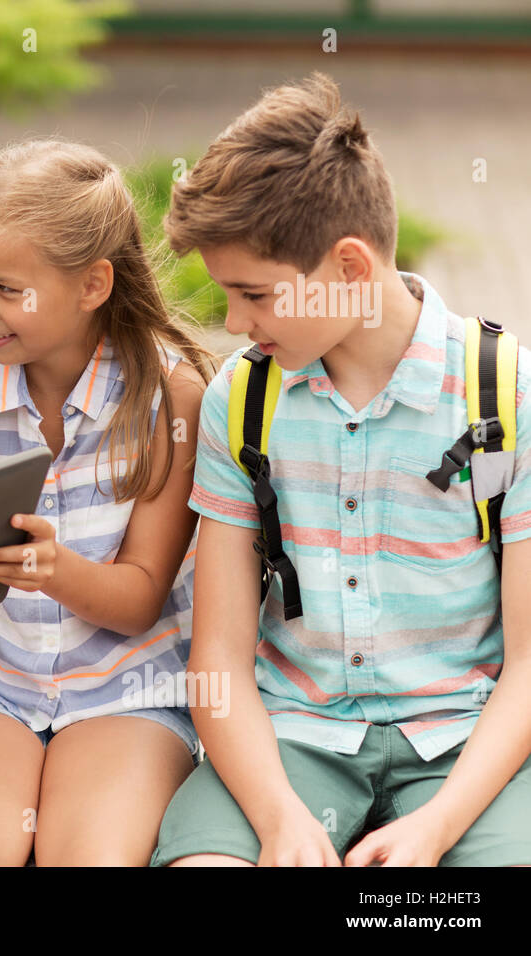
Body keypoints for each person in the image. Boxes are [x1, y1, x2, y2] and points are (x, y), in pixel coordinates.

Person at [153, 73, 531, 867]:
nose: (233, 323)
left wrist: (436, 829)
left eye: (253, 295)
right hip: (291, 738)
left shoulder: (505, 394)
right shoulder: (243, 400)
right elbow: (218, 659)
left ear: (351, 268)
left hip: (466, 743)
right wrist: (281, 819)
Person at [0, 139, 213, 866]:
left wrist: (52, 570)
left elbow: (138, 599)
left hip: (128, 692)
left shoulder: (171, 402)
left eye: (7, 289)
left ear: (93, 284)